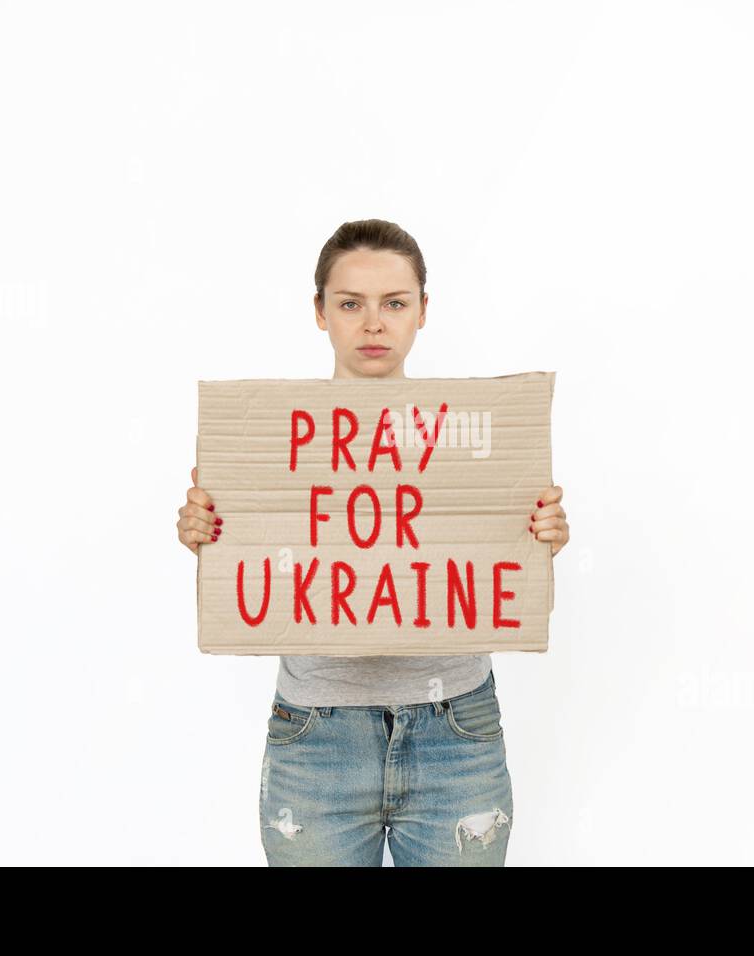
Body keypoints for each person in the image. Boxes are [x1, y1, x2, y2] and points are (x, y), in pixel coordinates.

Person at [175, 219, 569, 865]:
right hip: (317, 736)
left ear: (422, 312)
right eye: (350, 303)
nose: (373, 323)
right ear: (320, 313)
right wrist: (210, 532)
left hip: (456, 732)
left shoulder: (477, 444)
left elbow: (496, 544)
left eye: (395, 303)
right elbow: (258, 551)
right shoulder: (269, 444)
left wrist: (537, 535)